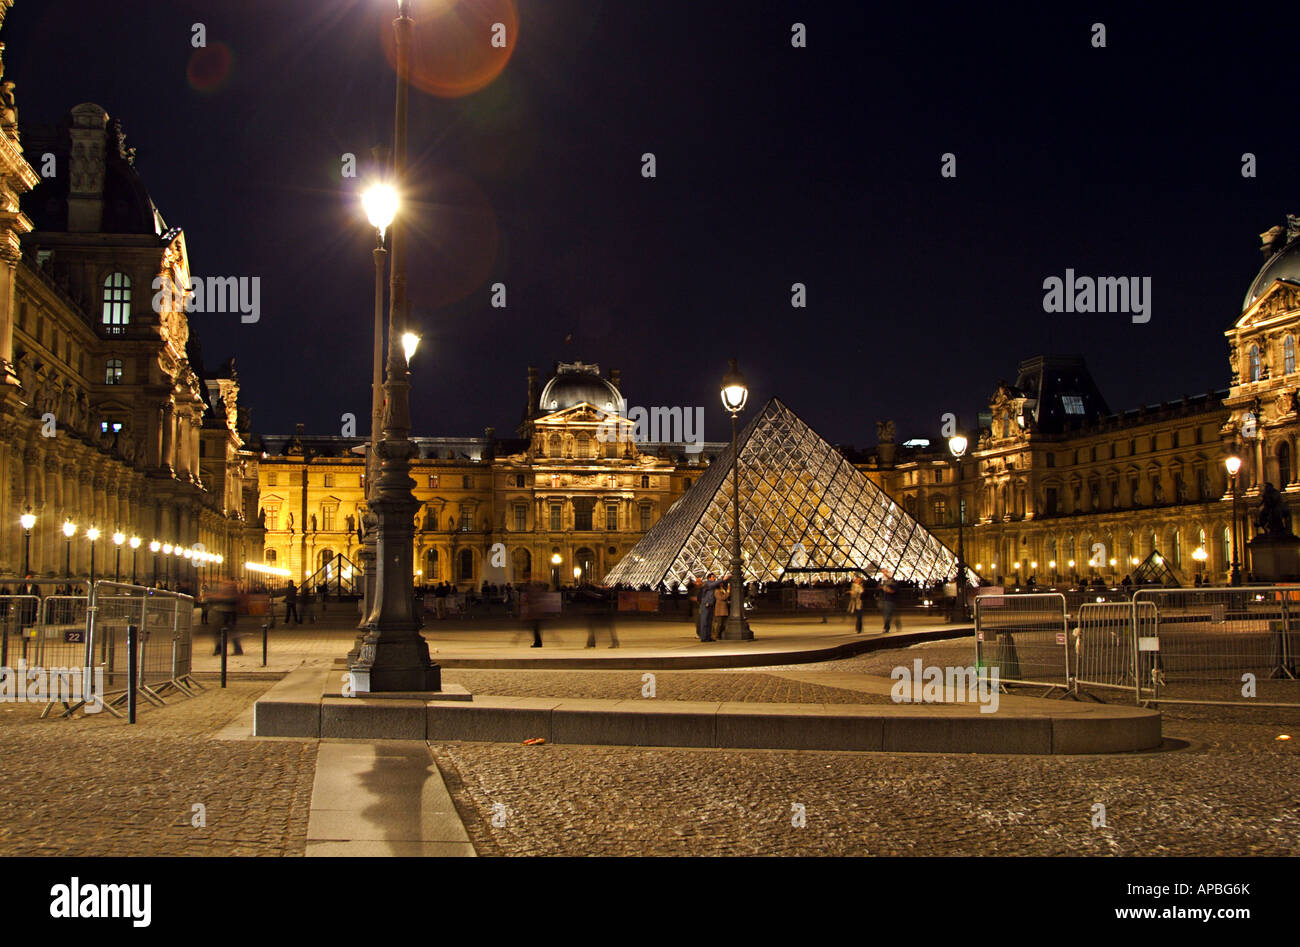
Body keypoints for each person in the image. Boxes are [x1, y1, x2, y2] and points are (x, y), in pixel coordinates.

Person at [697, 572, 726, 642]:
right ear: (709, 578)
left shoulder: (712, 585)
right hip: (706, 604)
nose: (714, 579)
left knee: (709, 622)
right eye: (713, 577)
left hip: (710, 604)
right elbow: (714, 584)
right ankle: (704, 637)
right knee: (704, 622)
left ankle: (708, 636)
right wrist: (723, 579)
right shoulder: (708, 584)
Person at [878, 569, 900, 633]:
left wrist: (886, 589)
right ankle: (889, 626)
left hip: (890, 601)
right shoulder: (886, 582)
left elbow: (892, 591)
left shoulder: (894, 584)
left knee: (887, 615)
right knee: (887, 615)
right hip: (886, 600)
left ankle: (886, 627)